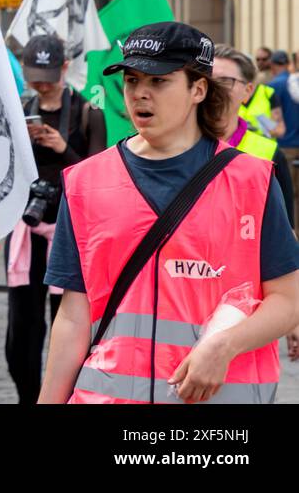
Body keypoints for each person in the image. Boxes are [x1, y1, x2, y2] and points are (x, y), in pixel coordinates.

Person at [40, 22, 299, 404]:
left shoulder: (252, 181)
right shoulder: (85, 182)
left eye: (158, 81)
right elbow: (73, 317)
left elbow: (289, 301)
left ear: (198, 88)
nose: (140, 93)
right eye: (131, 80)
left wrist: (224, 346)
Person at [4, 34, 106, 403]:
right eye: (35, 75)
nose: (42, 83)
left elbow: (98, 176)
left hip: (71, 230)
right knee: (22, 332)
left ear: (65, 67)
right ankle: (28, 397)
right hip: (25, 230)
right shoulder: (18, 108)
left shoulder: (87, 112)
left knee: (71, 326)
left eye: (48, 74)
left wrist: (64, 149)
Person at [213, 45, 295, 227]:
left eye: (225, 81)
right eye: (207, 80)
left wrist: (265, 129)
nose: (213, 88)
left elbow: (284, 235)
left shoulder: (269, 155)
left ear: (247, 90)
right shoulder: (176, 147)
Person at [270, 50, 299, 173]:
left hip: (284, 144)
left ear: (272, 65)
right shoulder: (295, 83)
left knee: (287, 189)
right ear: (288, 64)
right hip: (295, 141)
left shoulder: (272, 85)